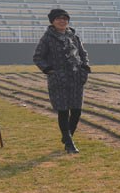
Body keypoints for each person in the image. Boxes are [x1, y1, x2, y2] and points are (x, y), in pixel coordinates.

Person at [33, 8, 90, 153]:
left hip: (76, 78)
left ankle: (67, 136)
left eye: (65, 18)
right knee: (63, 111)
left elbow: (83, 54)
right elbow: (38, 57)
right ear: (52, 21)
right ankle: (69, 143)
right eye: (58, 18)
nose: (62, 21)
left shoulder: (74, 36)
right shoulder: (47, 38)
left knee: (76, 111)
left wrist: (85, 67)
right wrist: (49, 70)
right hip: (59, 80)